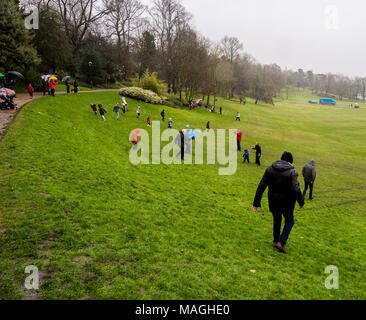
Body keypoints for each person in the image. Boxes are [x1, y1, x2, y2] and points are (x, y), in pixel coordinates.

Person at [253, 152, 304, 254]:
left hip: (273, 201)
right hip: (287, 202)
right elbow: (296, 188)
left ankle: (276, 241)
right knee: (289, 221)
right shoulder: (292, 172)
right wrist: (301, 202)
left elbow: (261, 186)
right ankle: (281, 242)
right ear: (290, 162)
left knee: (277, 219)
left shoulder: (270, 169)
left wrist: (256, 203)